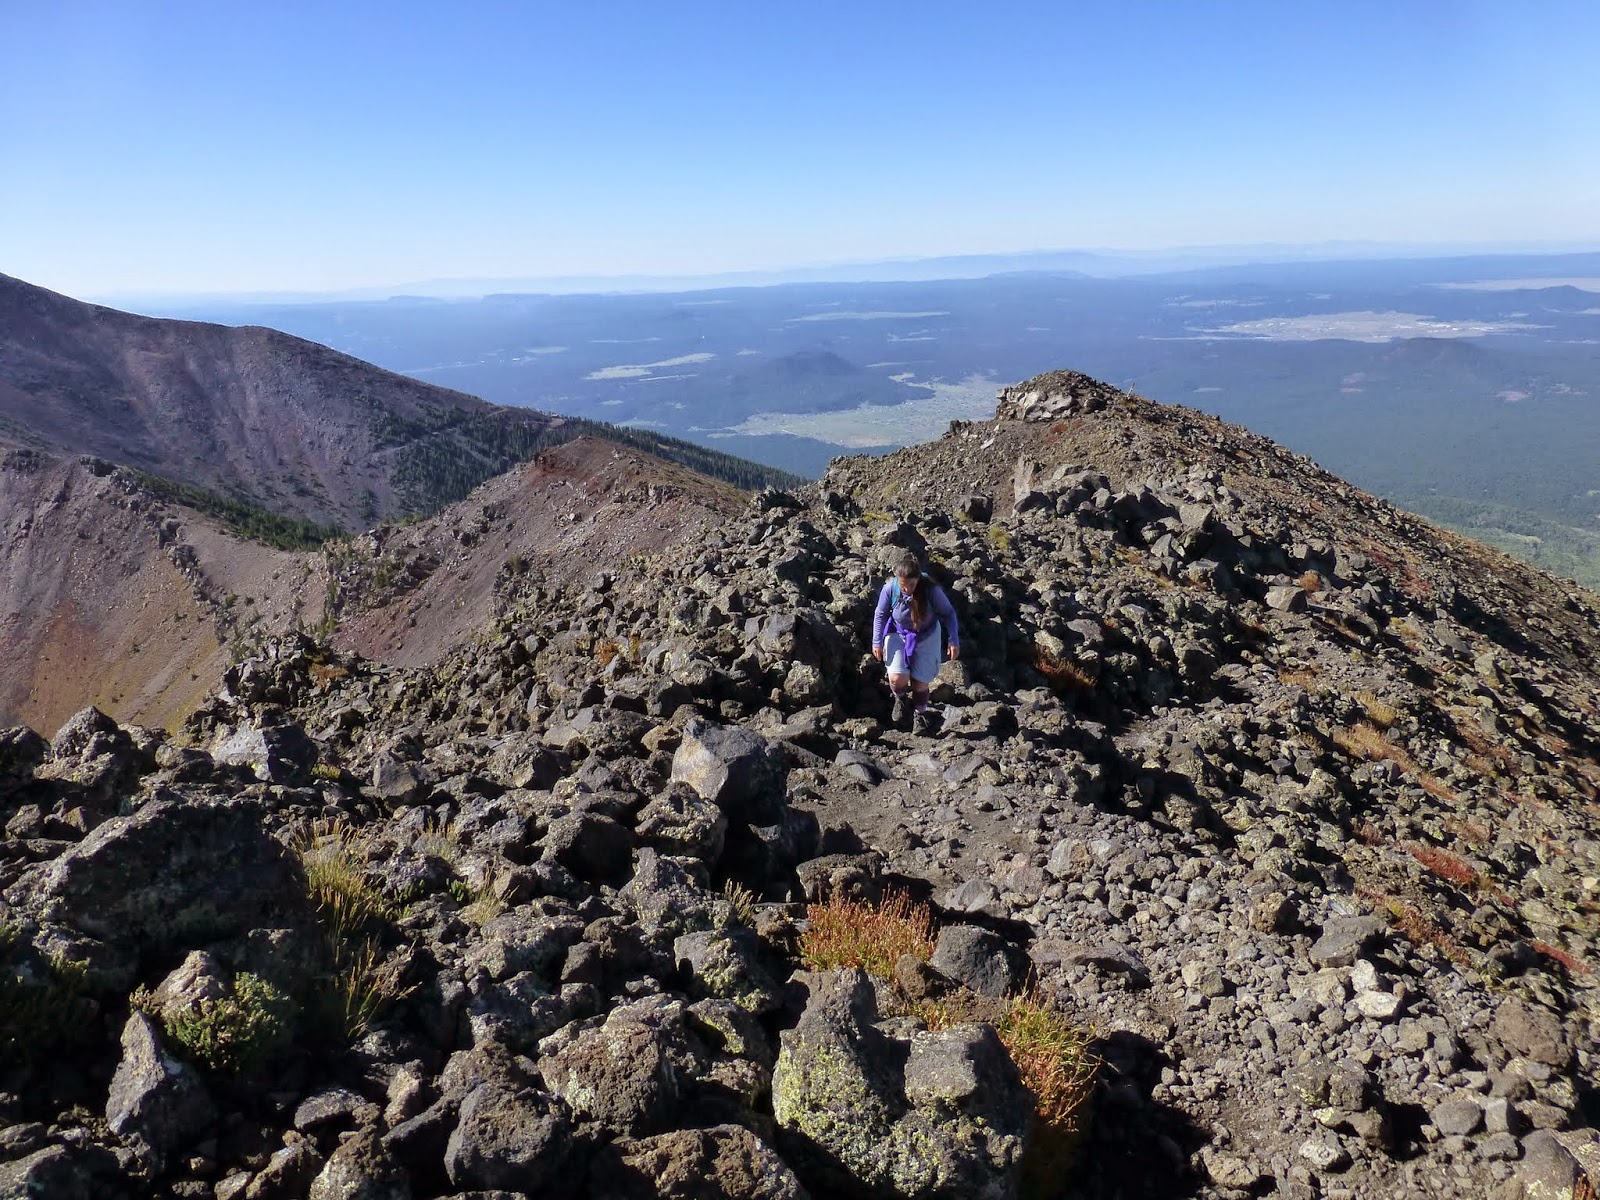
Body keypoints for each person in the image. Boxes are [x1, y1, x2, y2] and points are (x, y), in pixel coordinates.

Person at [871, 552, 959, 734]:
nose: (907, 589)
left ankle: (920, 714)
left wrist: (953, 640)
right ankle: (900, 699)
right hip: (898, 633)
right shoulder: (890, 589)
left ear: (918, 579)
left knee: (920, 683)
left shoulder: (930, 590)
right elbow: (880, 614)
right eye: (903, 585)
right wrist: (877, 641)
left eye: (911, 584)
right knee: (897, 678)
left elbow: (949, 613)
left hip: (926, 635)